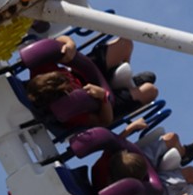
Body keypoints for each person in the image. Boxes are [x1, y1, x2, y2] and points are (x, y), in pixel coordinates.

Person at [25, 35, 159, 128]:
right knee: (150, 90)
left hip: (84, 72)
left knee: (125, 43)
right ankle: (124, 86)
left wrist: (69, 43)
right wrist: (103, 98)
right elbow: (104, 121)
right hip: (100, 101)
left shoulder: (41, 71)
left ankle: (118, 77)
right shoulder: (70, 112)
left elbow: (58, 42)